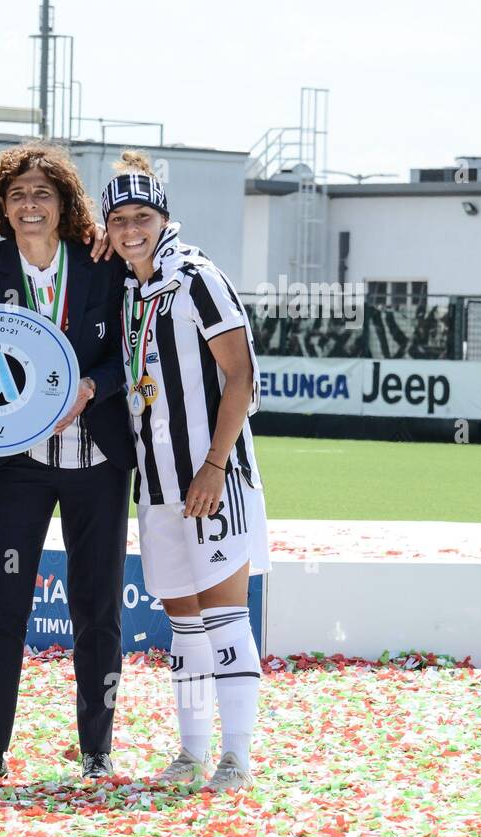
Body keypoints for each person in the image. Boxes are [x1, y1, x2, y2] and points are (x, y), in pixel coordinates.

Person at [0, 143, 134, 785]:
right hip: (17, 463)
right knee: (3, 606)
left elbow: (122, 360)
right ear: (2, 205)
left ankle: (96, 752)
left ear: (64, 204)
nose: (30, 204)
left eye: (42, 194)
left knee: (98, 606)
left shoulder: (100, 264)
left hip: (98, 461)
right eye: (18, 194)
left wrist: (91, 389)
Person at [101, 151, 270, 791]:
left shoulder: (197, 276)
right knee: (184, 623)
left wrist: (213, 464)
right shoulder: (129, 288)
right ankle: (192, 751)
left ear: (164, 217)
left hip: (211, 476)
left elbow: (241, 376)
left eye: (140, 216)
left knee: (225, 616)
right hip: (159, 483)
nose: (129, 229)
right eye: (117, 219)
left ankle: (237, 755)